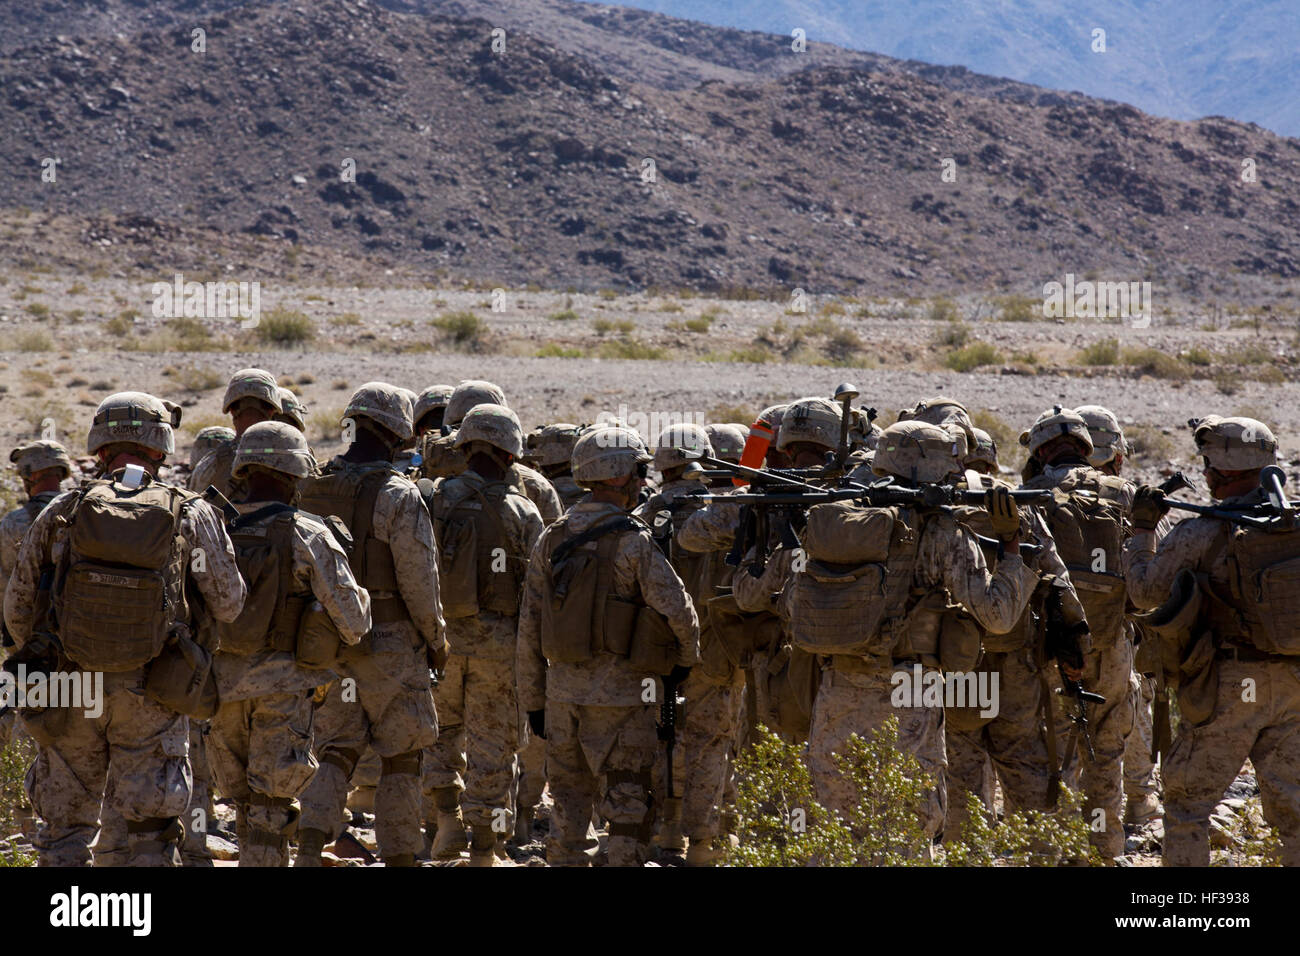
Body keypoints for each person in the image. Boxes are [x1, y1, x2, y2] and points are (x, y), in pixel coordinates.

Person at [3, 392, 246, 866]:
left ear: (99, 449)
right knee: (151, 831)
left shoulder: (62, 511)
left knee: (64, 829)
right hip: (153, 689)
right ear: (161, 447)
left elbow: (18, 608)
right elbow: (230, 604)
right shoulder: (192, 512)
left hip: (69, 686)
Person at [795, 420, 1036, 849]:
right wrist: (1012, 548)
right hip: (910, 687)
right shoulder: (943, 534)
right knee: (907, 824)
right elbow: (997, 616)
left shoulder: (838, 521)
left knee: (835, 822)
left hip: (838, 683)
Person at [516, 425, 699, 866]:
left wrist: (534, 701)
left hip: (562, 697)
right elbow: (678, 610)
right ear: (619, 476)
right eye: (638, 470)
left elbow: (530, 626)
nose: (642, 480)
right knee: (627, 804)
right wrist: (687, 663)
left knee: (567, 805)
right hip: (622, 698)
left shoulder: (552, 537)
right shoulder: (633, 541)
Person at [1124, 416, 1300, 866]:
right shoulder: (1292, 525)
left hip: (1231, 683)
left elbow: (1144, 592)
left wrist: (1142, 532)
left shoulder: (1199, 533)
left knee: (1187, 806)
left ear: (1215, 471)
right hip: (1295, 681)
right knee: (1293, 811)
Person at [294, 383, 448, 867]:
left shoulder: (311, 486)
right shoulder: (399, 495)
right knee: (402, 755)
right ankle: (401, 857)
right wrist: (437, 639)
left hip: (326, 640)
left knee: (335, 749)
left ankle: (310, 848)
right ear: (398, 430)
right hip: (392, 643)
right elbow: (419, 581)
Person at [207, 421, 371, 866]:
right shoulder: (307, 533)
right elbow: (353, 621)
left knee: (245, 805)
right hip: (282, 688)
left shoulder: (210, 526)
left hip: (218, 687)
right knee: (272, 808)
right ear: (295, 474)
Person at [423, 405, 543, 865]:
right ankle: (485, 850)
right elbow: (537, 592)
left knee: (440, 736)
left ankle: (447, 820)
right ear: (510, 454)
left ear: (466, 447)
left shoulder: (434, 498)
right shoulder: (522, 509)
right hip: (499, 650)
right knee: (494, 748)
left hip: (443, 644)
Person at [1020, 405, 1135, 861]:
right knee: (1106, 753)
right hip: (1113, 645)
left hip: (1048, 645)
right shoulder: (1124, 494)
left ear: (1041, 451)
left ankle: (1052, 852)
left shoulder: (1028, 495)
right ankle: (1105, 849)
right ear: (1087, 449)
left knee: (1053, 753)